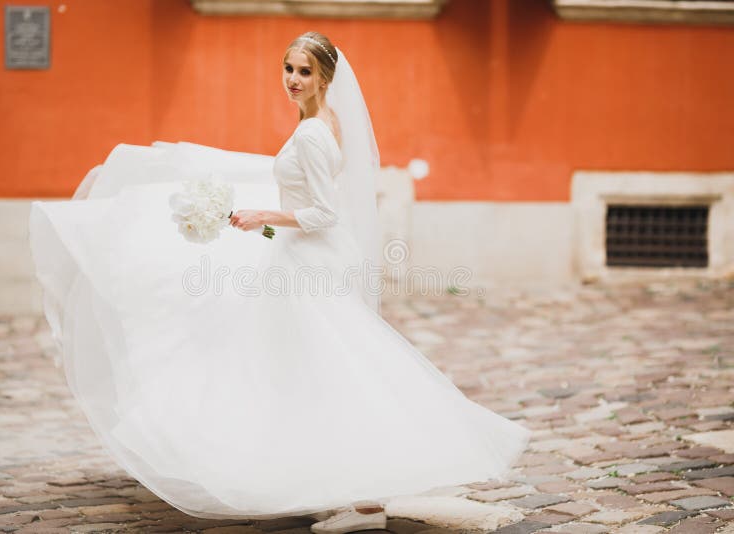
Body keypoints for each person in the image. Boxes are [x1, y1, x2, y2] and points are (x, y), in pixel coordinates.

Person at [28, 32, 531, 534]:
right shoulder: (319, 122)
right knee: (310, 372)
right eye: (289, 69)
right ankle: (343, 491)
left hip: (307, 267)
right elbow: (306, 211)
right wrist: (257, 225)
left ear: (325, 78)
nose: (293, 80)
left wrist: (261, 214)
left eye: (305, 72)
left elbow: (322, 213)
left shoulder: (313, 134)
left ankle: (361, 499)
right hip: (300, 256)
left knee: (326, 370)